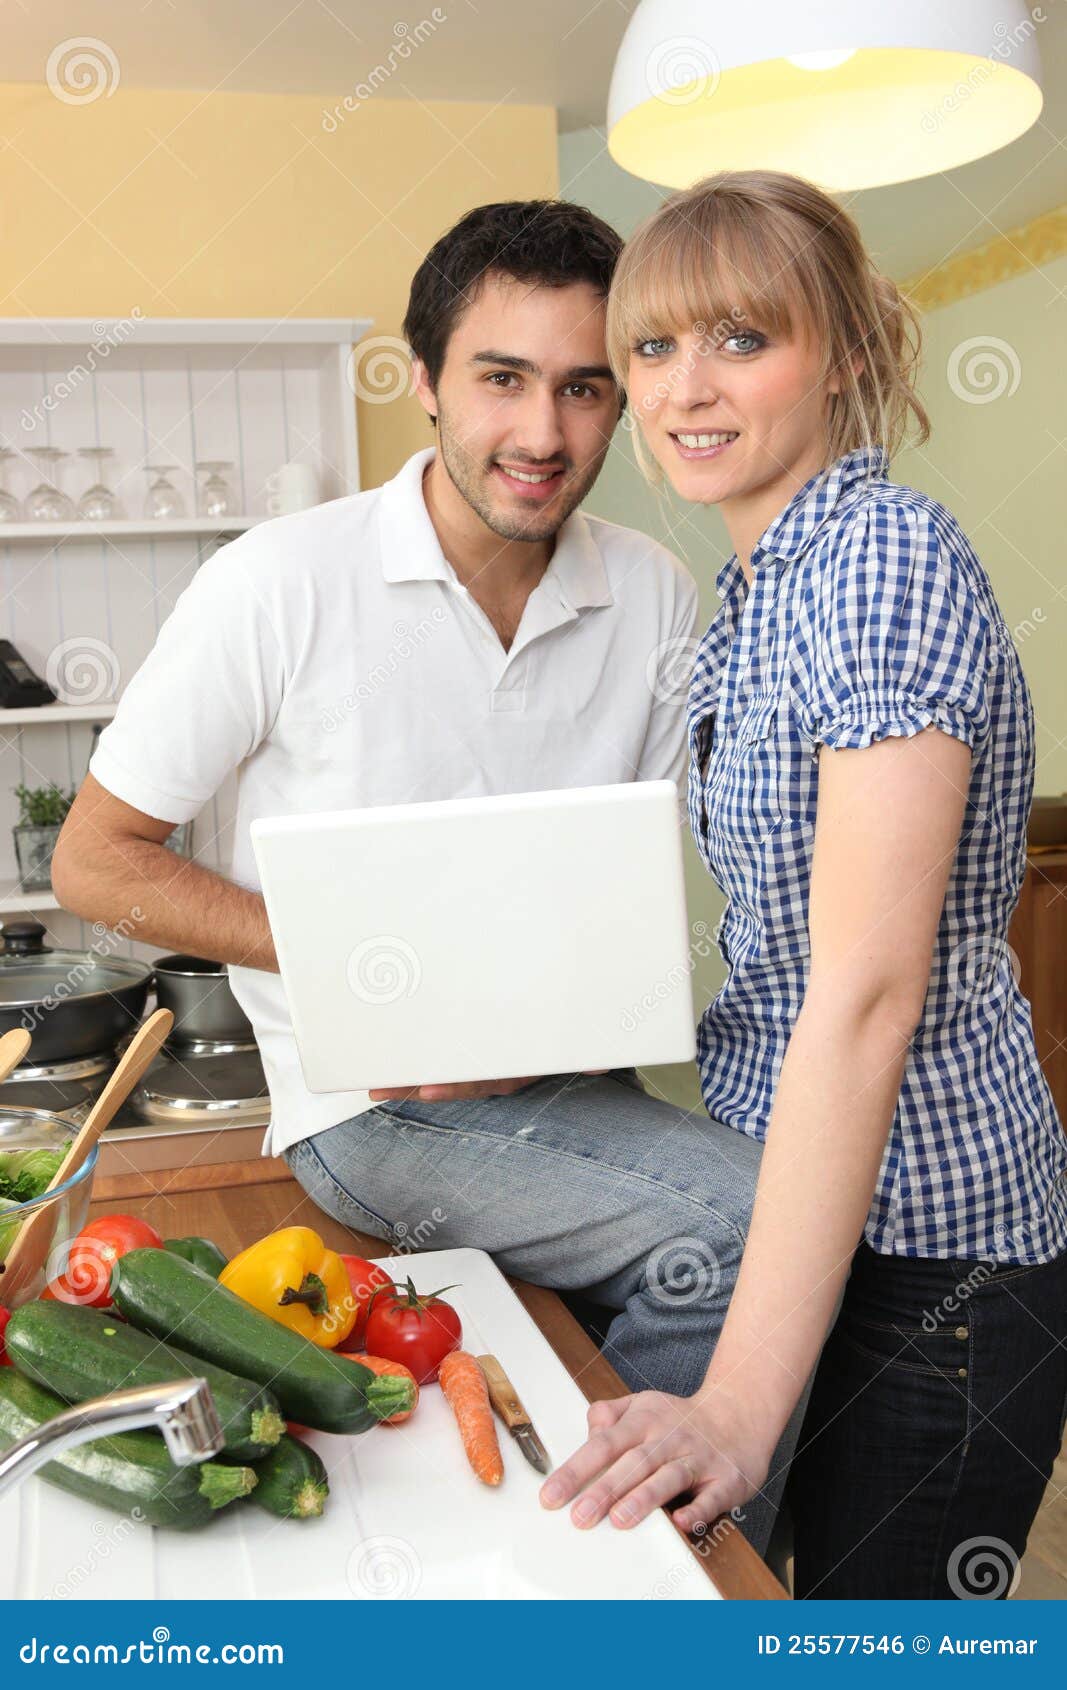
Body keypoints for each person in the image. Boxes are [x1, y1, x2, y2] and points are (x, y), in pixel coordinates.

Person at [52, 199, 786, 1552]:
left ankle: (593, 1548)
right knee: (754, 1224)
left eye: (585, 388)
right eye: (502, 379)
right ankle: (679, 1586)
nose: (544, 435)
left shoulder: (657, 593)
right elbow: (94, 859)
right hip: (368, 1113)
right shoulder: (276, 583)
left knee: (776, 1218)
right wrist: (379, 970)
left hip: (577, 1094)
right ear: (421, 379)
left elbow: (630, 876)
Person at [540, 170, 1067, 1600]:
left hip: (934, 1264)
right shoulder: (758, 596)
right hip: (803, 1214)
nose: (684, 390)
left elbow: (865, 993)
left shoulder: (882, 563)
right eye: (652, 349)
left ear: (840, 350)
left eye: (740, 340)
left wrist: (739, 1402)